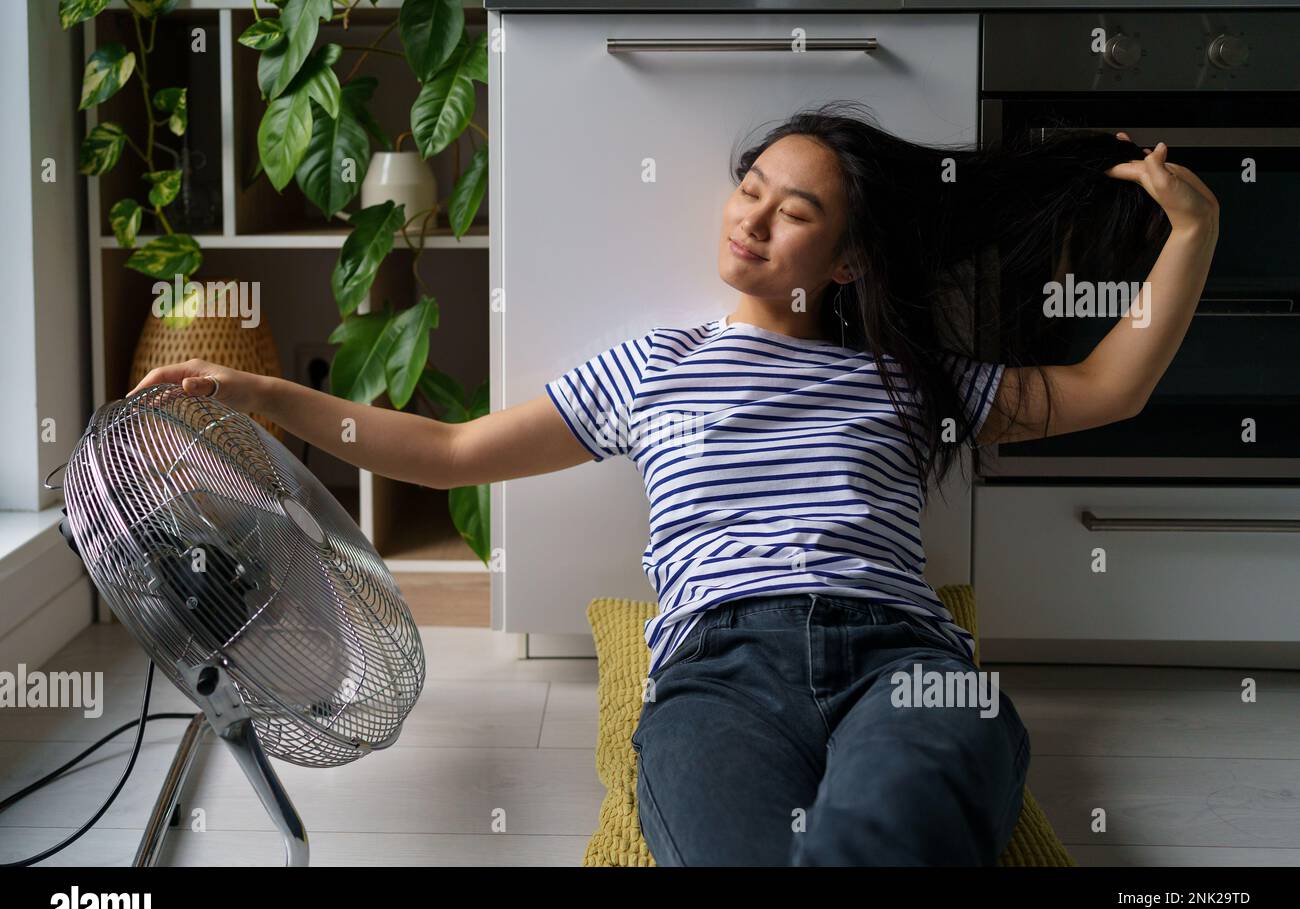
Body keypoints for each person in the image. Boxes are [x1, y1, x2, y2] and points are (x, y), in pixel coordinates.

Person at [129, 102, 1219, 866]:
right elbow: (451, 450)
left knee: (894, 833)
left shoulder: (900, 379)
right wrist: (264, 397)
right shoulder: (652, 364)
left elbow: (1103, 384)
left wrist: (1192, 230)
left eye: (793, 210)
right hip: (719, 665)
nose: (751, 216)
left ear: (844, 262)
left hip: (902, 657)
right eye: (750, 188)